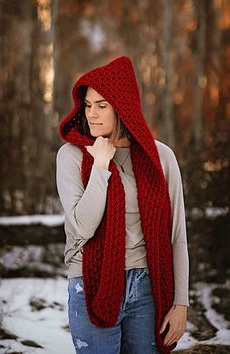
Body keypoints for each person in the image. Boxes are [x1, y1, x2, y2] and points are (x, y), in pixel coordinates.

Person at [56, 56, 189, 354]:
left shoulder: (161, 157)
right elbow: (84, 227)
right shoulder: (72, 156)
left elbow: (177, 234)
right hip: (89, 283)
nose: (92, 114)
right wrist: (101, 166)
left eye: (102, 105)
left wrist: (180, 302)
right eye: (88, 105)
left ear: (123, 106)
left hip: (147, 287)